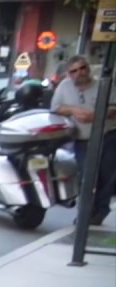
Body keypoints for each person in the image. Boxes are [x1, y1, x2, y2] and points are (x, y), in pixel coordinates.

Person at [50, 54, 116, 226]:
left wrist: (95, 115)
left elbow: (114, 108)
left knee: (106, 177)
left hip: (107, 136)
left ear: (88, 68)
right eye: (74, 70)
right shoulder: (64, 86)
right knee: (86, 178)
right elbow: (55, 108)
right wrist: (72, 109)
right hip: (83, 139)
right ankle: (85, 213)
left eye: (82, 68)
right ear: (69, 74)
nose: (79, 73)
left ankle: (100, 211)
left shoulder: (104, 84)